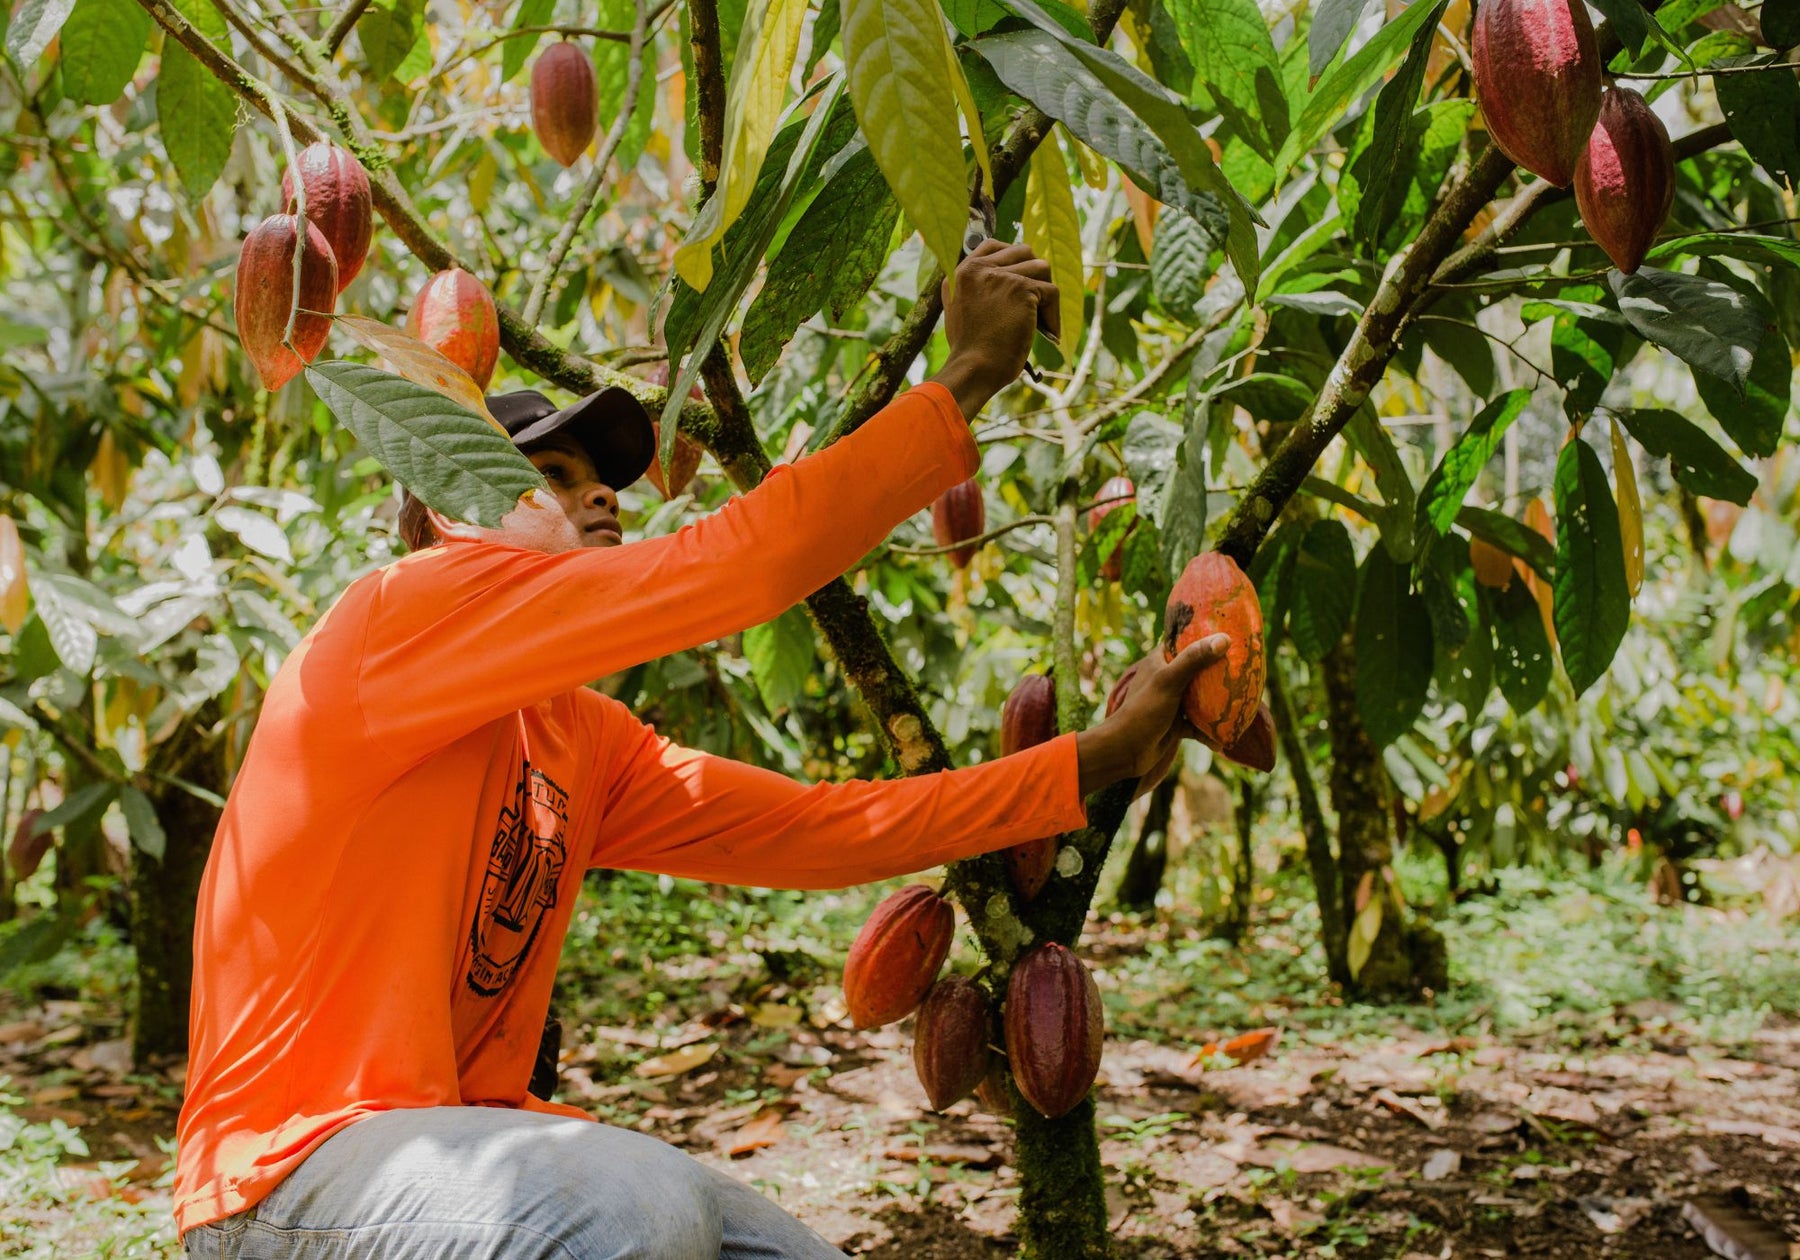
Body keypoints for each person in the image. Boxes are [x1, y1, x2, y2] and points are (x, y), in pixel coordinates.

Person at [174, 241, 1231, 1259]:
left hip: (460, 1157)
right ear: (444, 510)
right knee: (631, 1216)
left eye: (603, 481)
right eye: (550, 471)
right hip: (288, 1176)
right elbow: (743, 565)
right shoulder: (394, 621)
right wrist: (964, 377)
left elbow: (822, 829)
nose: (599, 496)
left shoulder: (582, 738)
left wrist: (1093, 761)